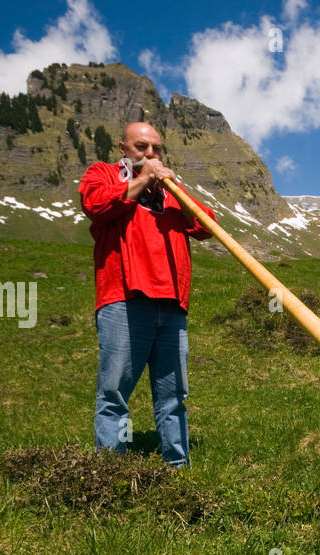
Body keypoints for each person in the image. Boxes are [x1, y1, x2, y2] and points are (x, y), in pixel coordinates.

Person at [78, 121, 217, 468]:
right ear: (123, 149)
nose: (151, 154)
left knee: (174, 396)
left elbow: (205, 226)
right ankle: (110, 474)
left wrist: (174, 190)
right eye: (142, 147)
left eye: (156, 148)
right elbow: (95, 205)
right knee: (115, 394)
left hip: (171, 304)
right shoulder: (105, 175)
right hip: (124, 299)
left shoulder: (170, 191)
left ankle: (177, 470)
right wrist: (142, 179)